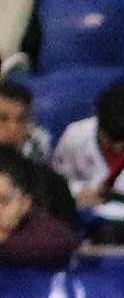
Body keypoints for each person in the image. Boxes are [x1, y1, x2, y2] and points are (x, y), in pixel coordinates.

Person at [51, 79, 124, 243]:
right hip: (87, 217)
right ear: (95, 115)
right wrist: (75, 195)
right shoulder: (75, 135)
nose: (117, 148)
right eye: (110, 140)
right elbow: (57, 183)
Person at [0, 79, 77, 226]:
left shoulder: (52, 185)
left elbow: (65, 235)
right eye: (3, 119)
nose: (13, 128)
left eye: (21, 119)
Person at [0, 151, 76, 269]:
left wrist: (4, 245)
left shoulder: (42, 229)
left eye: (4, 201)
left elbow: (62, 241)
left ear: (25, 204)